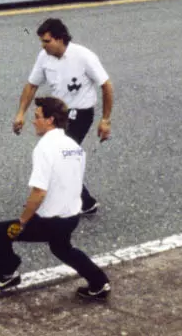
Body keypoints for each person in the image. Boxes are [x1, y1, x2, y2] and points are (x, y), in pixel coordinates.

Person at [0, 97, 111, 302]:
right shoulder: (74, 146)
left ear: (50, 120)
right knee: (62, 248)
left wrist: (23, 221)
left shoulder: (44, 148)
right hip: (71, 216)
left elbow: (39, 193)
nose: (33, 121)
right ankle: (99, 282)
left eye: (37, 117)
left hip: (50, 221)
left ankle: (7, 275)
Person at [13, 18, 113, 215]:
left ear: (60, 39)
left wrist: (105, 120)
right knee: (55, 156)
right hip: (58, 113)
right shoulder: (44, 57)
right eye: (41, 41)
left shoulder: (84, 56)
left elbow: (106, 86)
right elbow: (31, 85)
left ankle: (80, 202)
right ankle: (80, 201)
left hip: (80, 113)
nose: (43, 46)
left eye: (47, 41)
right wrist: (20, 113)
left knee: (58, 155)